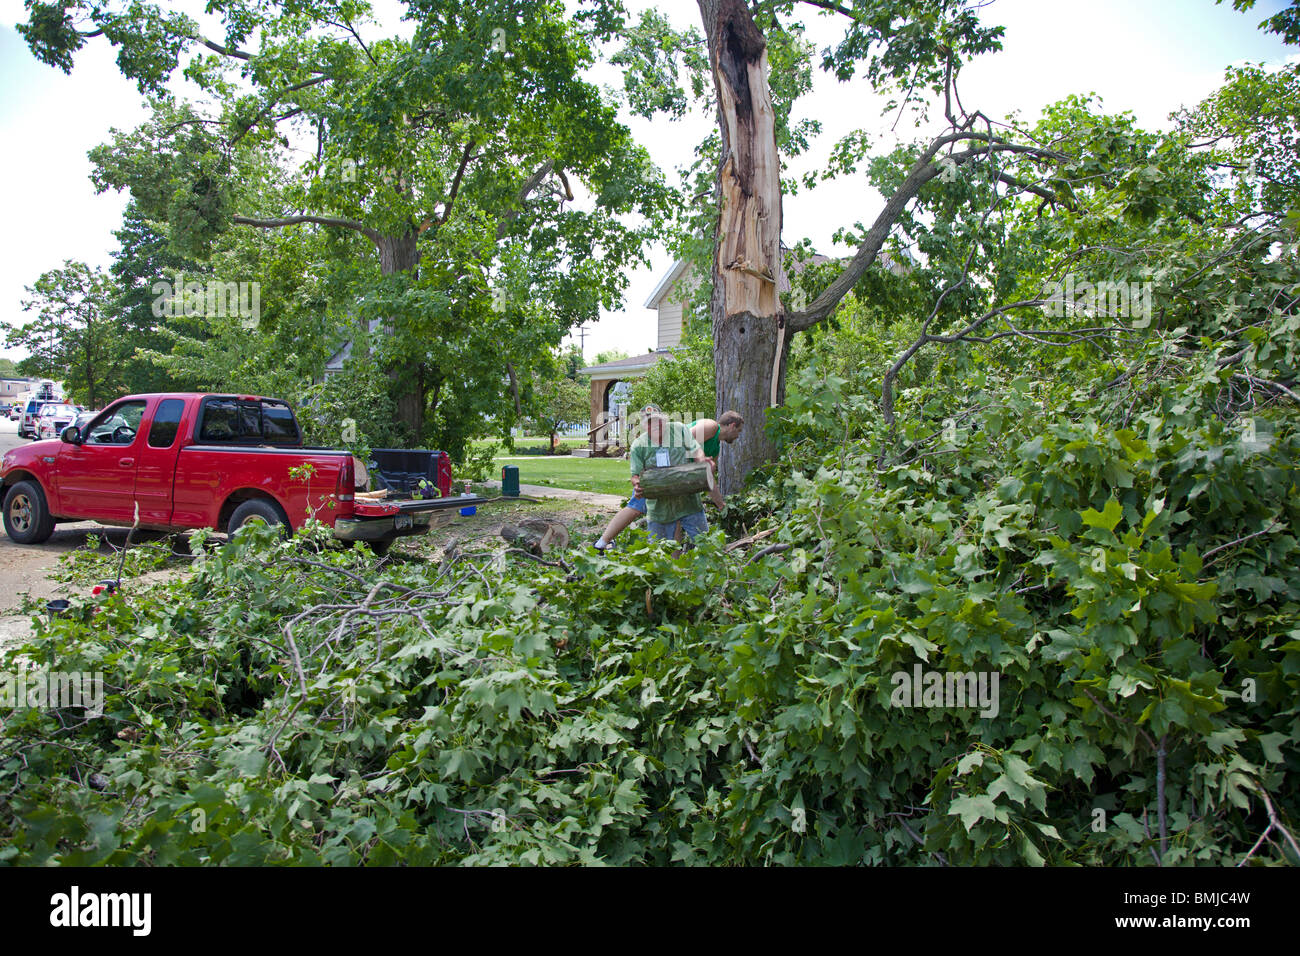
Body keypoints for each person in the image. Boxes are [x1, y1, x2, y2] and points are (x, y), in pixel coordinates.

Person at [593, 407, 743, 549]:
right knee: (636, 506)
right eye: (739, 430)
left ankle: (674, 564)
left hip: (682, 482)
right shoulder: (711, 426)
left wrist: (720, 503)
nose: (738, 435)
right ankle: (602, 542)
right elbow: (683, 443)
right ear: (732, 425)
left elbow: (706, 476)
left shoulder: (716, 447)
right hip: (664, 475)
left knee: (675, 519)